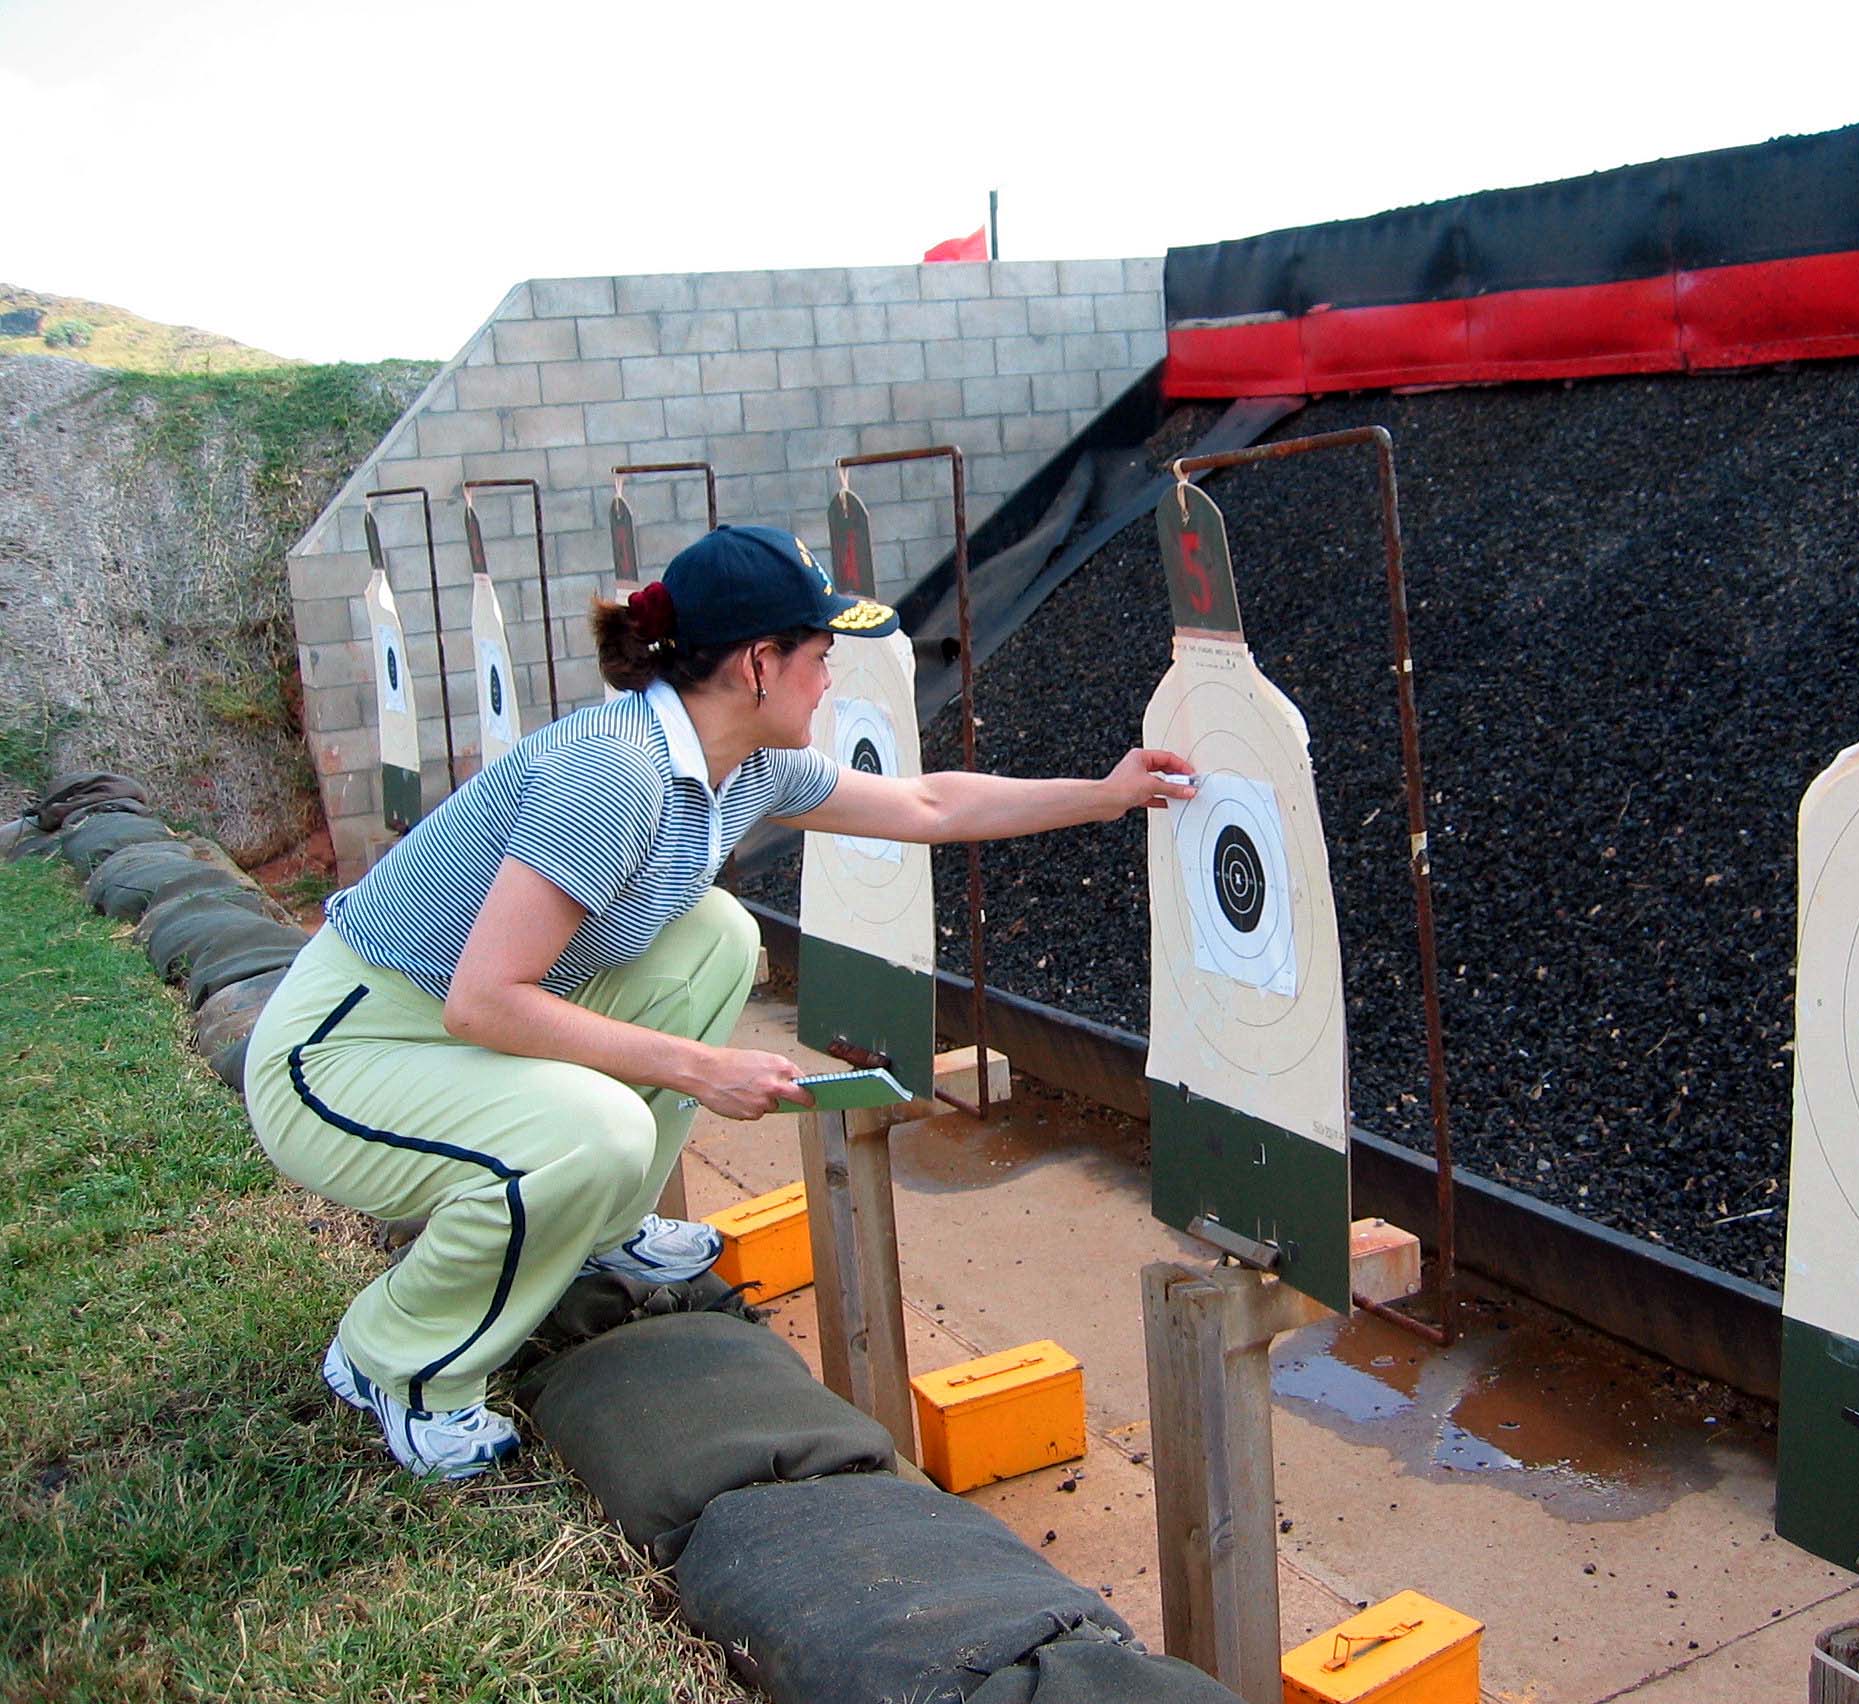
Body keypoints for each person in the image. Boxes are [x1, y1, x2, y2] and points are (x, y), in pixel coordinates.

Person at [244, 524, 1194, 1479]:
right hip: (340, 1059)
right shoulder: (614, 777)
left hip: (443, 1025)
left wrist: (1106, 794)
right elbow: (483, 1005)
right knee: (596, 1134)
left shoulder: (740, 763)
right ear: (757, 665)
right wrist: (704, 1069)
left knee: (716, 934)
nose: (828, 680)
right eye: (820, 657)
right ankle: (395, 1363)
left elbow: (926, 808)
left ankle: (601, 1227)